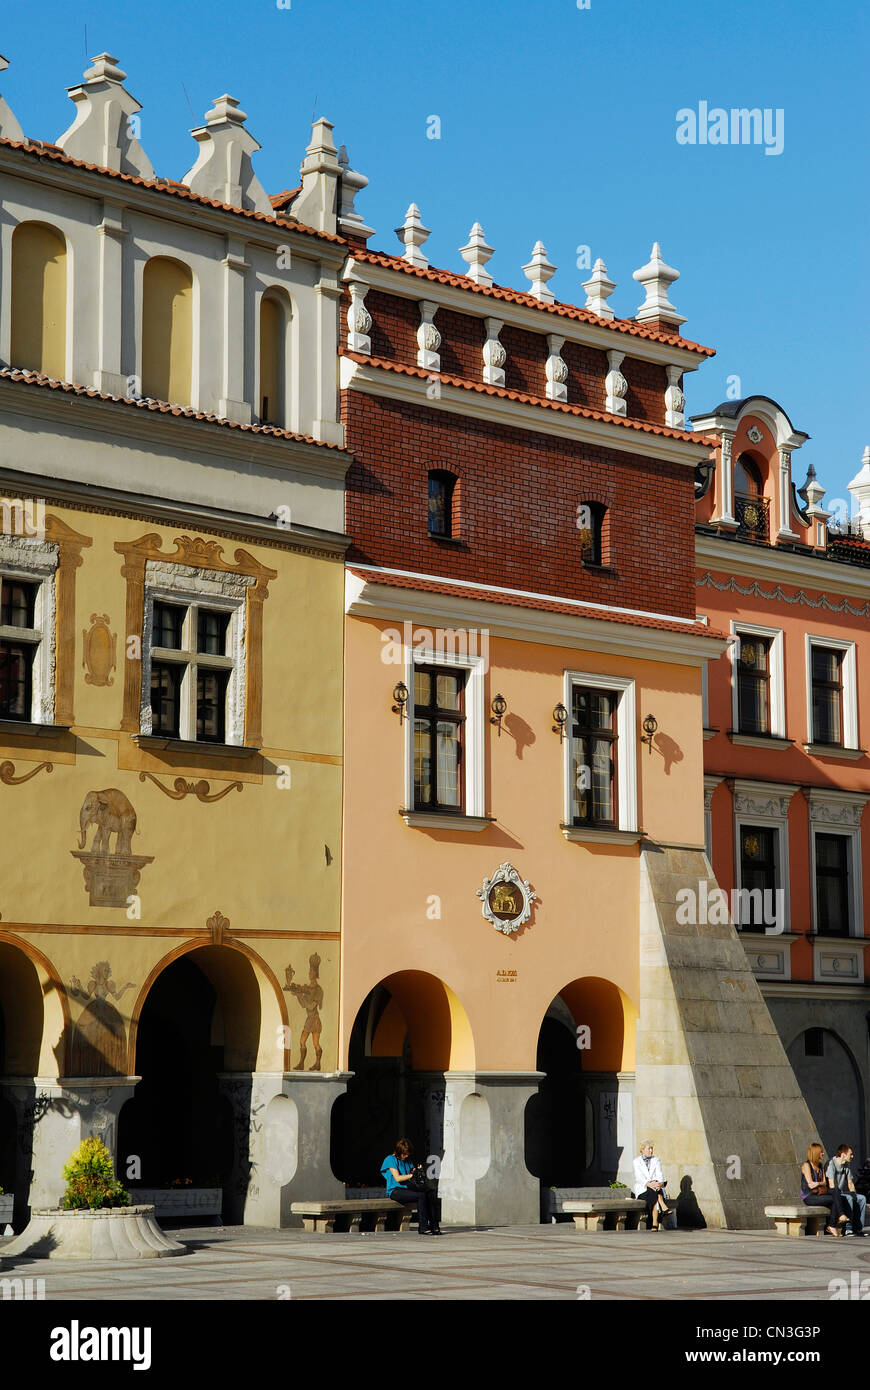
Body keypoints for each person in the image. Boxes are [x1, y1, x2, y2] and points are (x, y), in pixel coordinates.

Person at [380, 1138, 441, 1236]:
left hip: (407, 1188)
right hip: (395, 1190)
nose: (407, 1155)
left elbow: (412, 1173)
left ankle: (434, 1226)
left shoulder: (407, 1160)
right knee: (421, 1196)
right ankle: (423, 1227)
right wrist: (412, 1175)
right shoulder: (390, 1159)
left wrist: (417, 1171)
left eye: (408, 1153)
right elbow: (398, 1178)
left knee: (431, 1193)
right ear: (399, 1151)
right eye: (405, 1153)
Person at [801, 1142, 850, 1237]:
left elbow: (824, 1183)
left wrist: (818, 1184)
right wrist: (818, 1184)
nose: (823, 1154)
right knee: (835, 1199)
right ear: (815, 1153)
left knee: (836, 1191)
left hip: (819, 1193)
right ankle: (833, 1223)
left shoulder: (820, 1165)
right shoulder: (806, 1165)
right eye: (821, 1152)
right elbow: (810, 1185)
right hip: (809, 1196)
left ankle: (836, 1220)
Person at [826, 1144, 867, 1237]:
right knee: (848, 1198)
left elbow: (850, 1183)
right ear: (843, 1154)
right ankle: (847, 1228)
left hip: (842, 1192)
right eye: (850, 1154)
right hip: (833, 1193)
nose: (852, 1156)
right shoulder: (831, 1164)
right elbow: (831, 1185)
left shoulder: (846, 1165)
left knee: (862, 1198)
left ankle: (858, 1228)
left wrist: (854, 1193)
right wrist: (844, 1195)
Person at [632, 1141, 673, 1231]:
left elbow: (659, 1174)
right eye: (648, 1148)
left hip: (656, 1187)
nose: (651, 1150)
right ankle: (662, 1207)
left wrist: (659, 1183)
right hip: (643, 1188)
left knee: (653, 1192)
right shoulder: (636, 1161)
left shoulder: (656, 1160)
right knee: (653, 1192)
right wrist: (649, 1184)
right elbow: (639, 1177)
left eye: (652, 1148)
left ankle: (654, 1223)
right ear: (642, 1150)